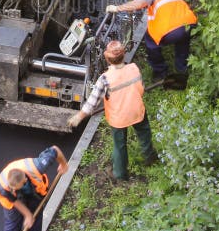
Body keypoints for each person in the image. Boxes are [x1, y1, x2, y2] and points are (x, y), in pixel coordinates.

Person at [67, 41, 158, 180]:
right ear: (124, 55)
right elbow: (141, 89)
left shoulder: (104, 79)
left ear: (107, 58)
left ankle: (120, 174)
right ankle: (150, 157)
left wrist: (78, 117)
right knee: (144, 134)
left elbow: (92, 103)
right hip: (136, 110)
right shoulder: (134, 68)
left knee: (119, 145)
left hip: (119, 117)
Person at [106, 0, 197, 88]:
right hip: (189, 25)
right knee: (182, 43)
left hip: (173, 30)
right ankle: (182, 69)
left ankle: (160, 72)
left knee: (150, 40)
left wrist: (117, 8)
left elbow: (139, 4)